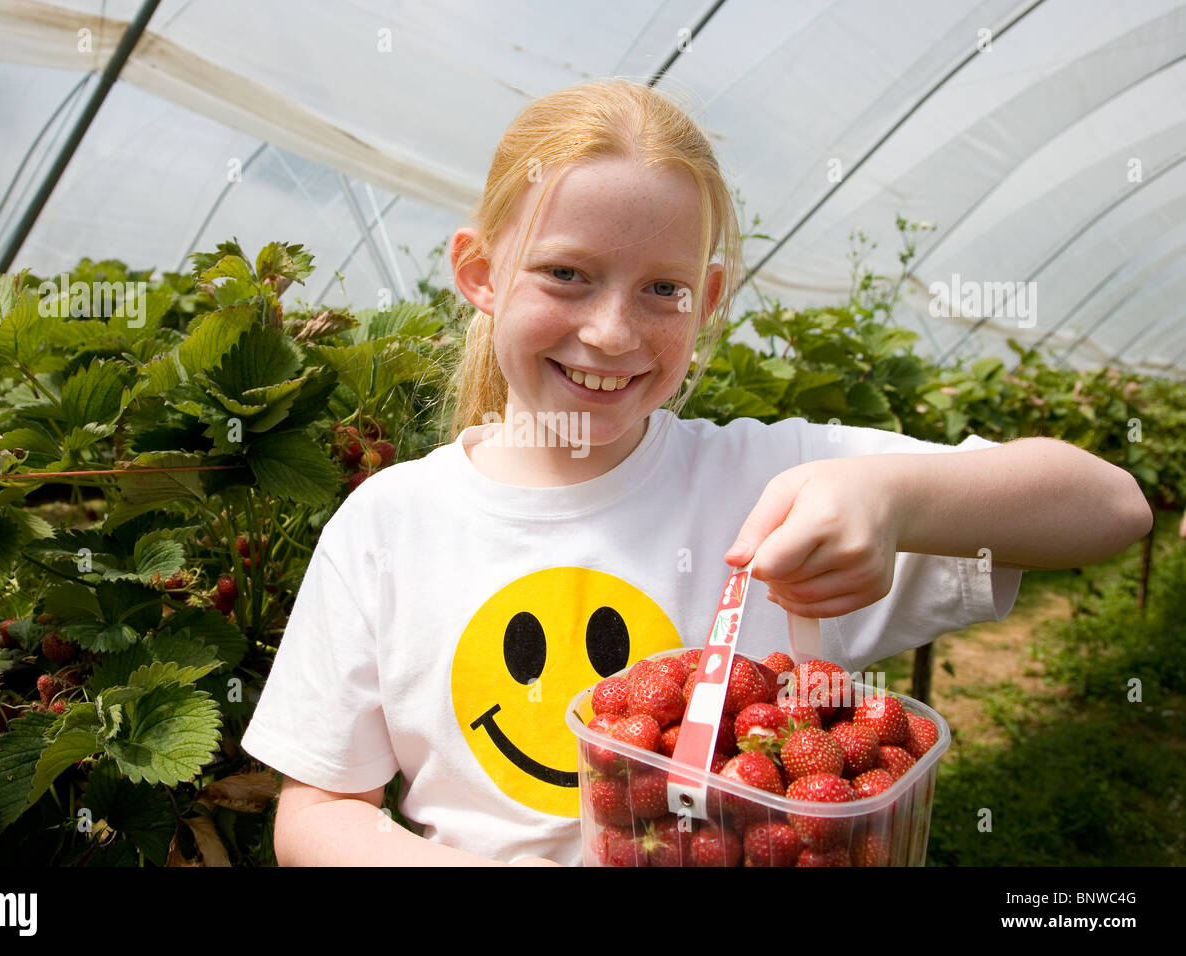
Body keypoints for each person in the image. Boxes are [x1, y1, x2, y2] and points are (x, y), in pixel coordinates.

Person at [240, 79, 1153, 866]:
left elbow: (1110, 506)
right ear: (480, 273)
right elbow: (318, 810)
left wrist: (894, 497)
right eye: (566, 273)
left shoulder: (776, 482)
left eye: (662, 290)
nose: (612, 331)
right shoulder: (391, 523)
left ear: (707, 300)